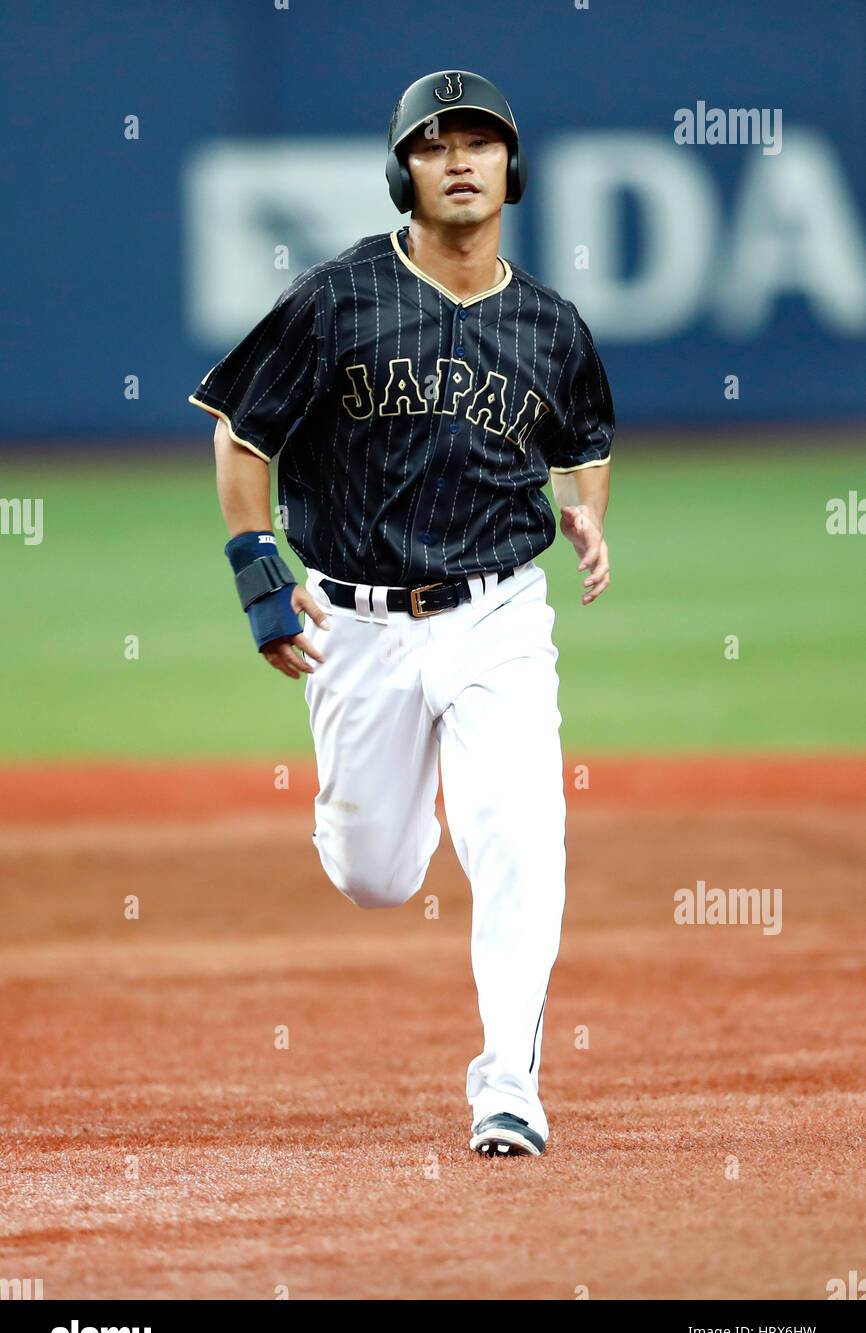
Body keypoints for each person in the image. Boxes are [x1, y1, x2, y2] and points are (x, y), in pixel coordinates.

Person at [189, 70, 615, 1157]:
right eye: (435, 145)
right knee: (376, 876)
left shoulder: (550, 323)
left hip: (499, 613)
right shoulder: (338, 297)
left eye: (479, 143)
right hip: (357, 621)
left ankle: (507, 1085)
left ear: (511, 170)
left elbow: (582, 447)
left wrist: (585, 517)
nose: (459, 160)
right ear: (402, 171)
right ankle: (395, 804)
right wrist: (254, 567)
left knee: (520, 832)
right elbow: (244, 432)